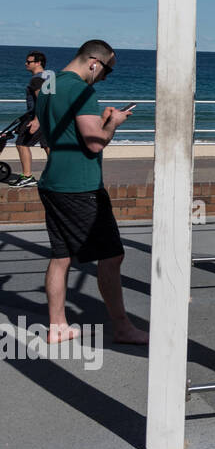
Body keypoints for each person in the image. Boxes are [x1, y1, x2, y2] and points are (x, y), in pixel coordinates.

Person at [34, 40, 148, 345]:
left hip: (52, 181)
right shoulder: (83, 91)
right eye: (107, 71)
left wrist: (102, 120)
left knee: (61, 257)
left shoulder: (48, 85)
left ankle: (57, 326)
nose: (106, 77)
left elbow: (52, 129)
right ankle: (123, 327)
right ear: (94, 63)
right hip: (80, 187)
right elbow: (95, 142)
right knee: (112, 256)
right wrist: (114, 123)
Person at [11, 50, 51, 187]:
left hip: (38, 116)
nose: (26, 64)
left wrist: (36, 120)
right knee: (48, 146)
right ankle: (59, 174)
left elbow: (41, 99)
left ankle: (27, 176)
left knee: (21, 144)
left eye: (29, 62)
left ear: (38, 63)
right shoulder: (49, 76)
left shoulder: (36, 79)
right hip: (50, 117)